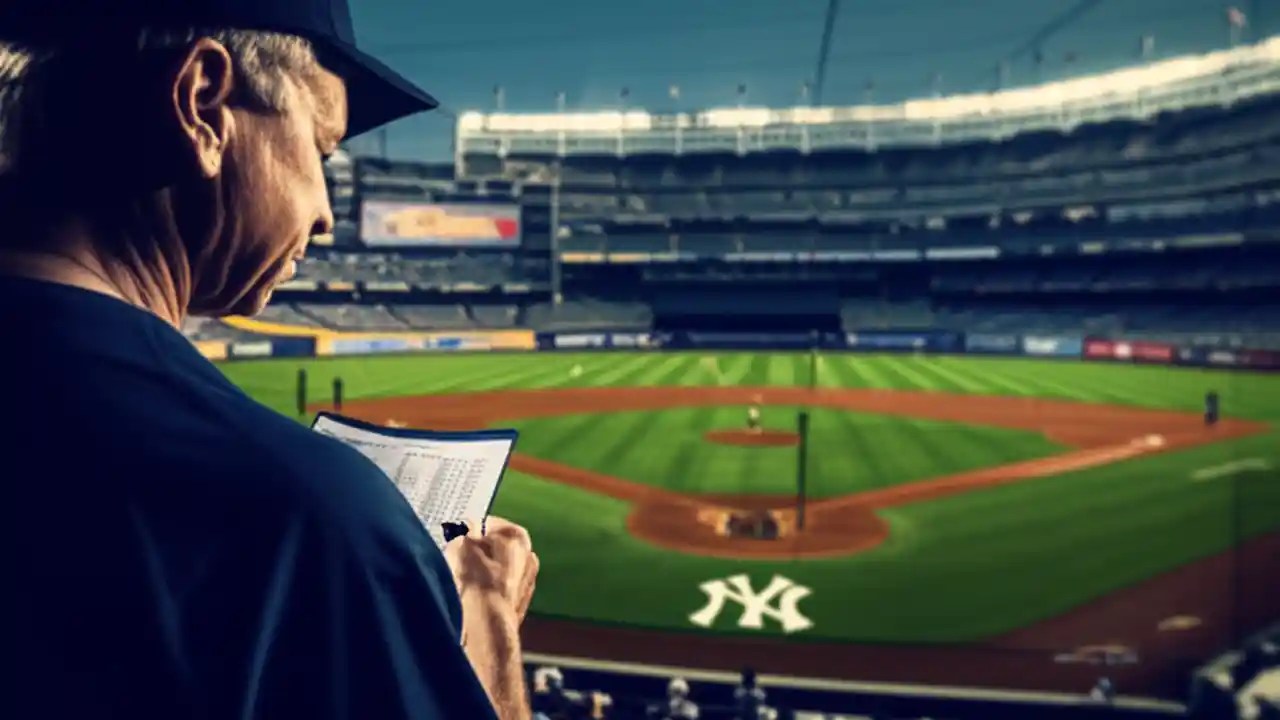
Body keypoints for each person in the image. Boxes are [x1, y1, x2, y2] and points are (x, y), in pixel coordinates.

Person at [0, 1, 538, 719]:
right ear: (202, 105)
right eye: (321, 150)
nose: (324, 212)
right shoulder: (305, 516)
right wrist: (490, 626)